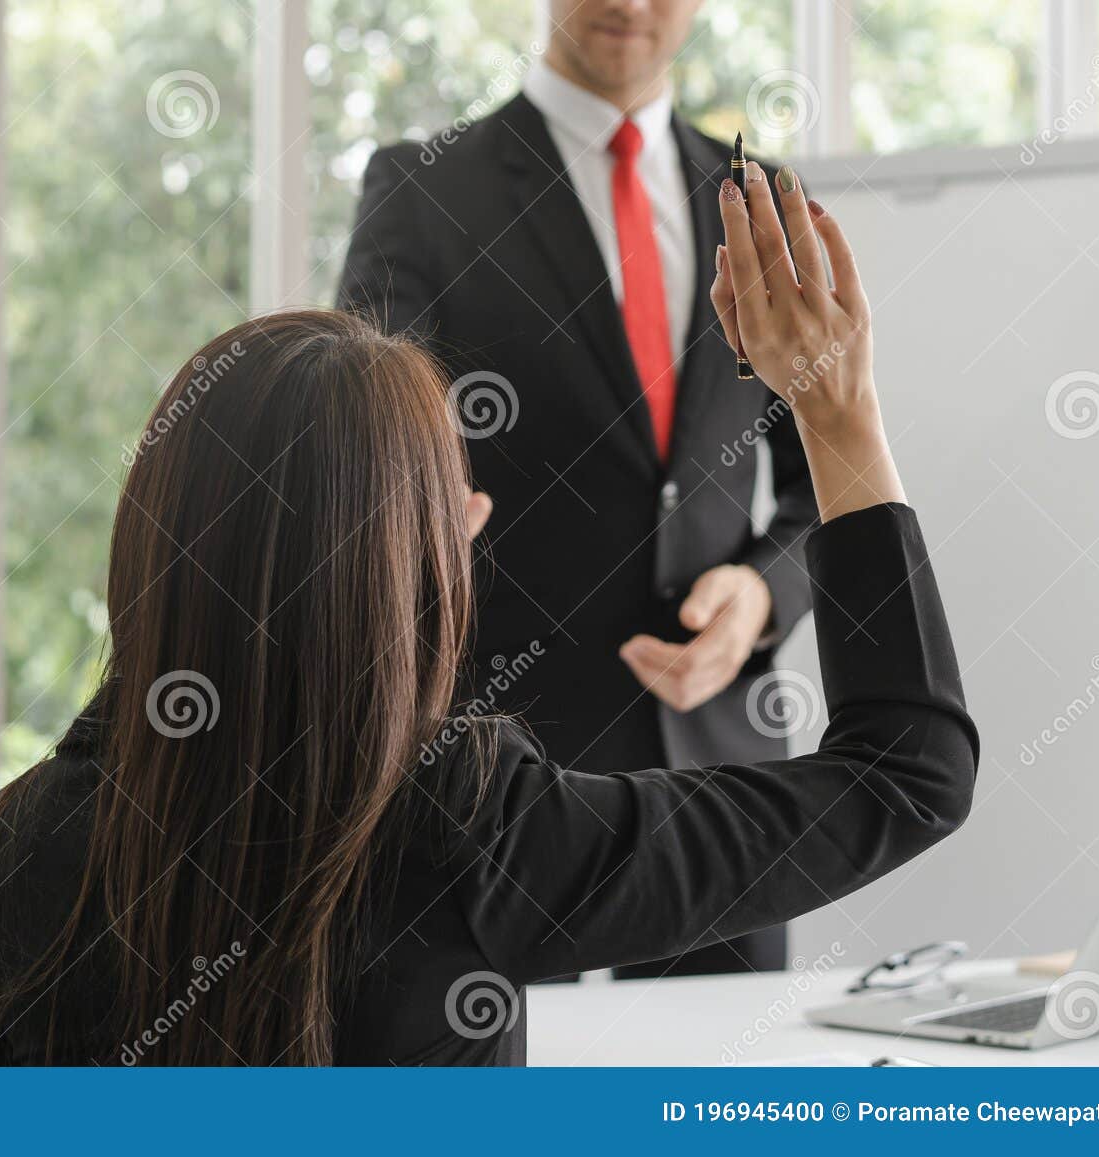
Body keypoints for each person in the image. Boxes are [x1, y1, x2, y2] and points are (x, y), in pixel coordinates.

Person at [0, 169, 979, 1065]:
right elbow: (907, 772)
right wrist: (838, 412)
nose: (471, 525)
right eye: (445, 499)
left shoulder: (8, 852)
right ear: (405, 556)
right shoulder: (470, 828)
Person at [339, 0, 816, 976]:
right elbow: (369, 456)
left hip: (717, 774)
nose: (630, 5)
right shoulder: (426, 188)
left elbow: (822, 483)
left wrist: (762, 594)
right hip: (493, 774)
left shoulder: (758, 199)